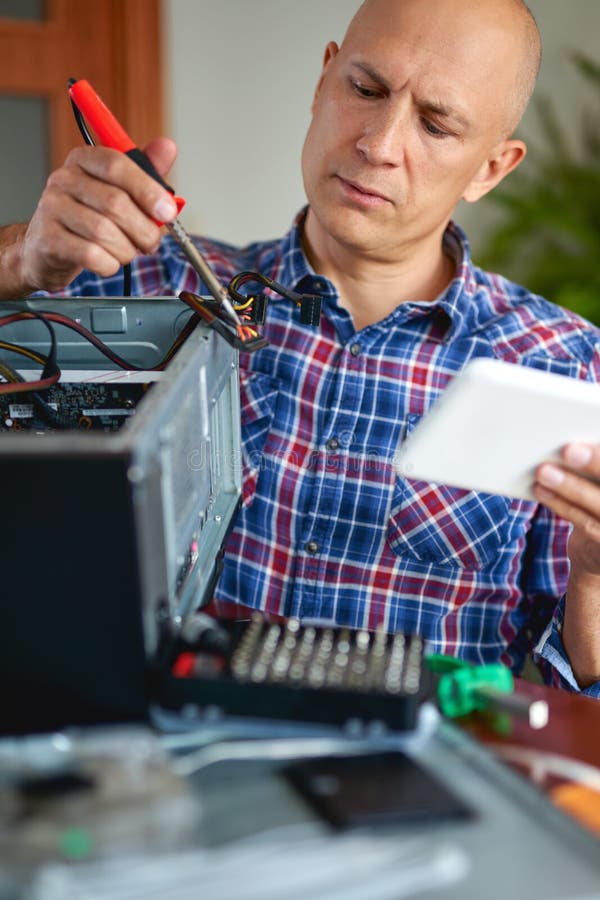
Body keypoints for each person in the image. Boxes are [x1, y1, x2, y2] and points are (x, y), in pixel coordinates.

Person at [2, 0, 600, 697]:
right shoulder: (155, 285)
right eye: (367, 89)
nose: (378, 143)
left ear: (491, 168)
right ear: (323, 81)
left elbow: (580, 702)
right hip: (158, 772)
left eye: (436, 124)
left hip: (408, 791)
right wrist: (24, 259)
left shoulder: (563, 366)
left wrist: (594, 577)